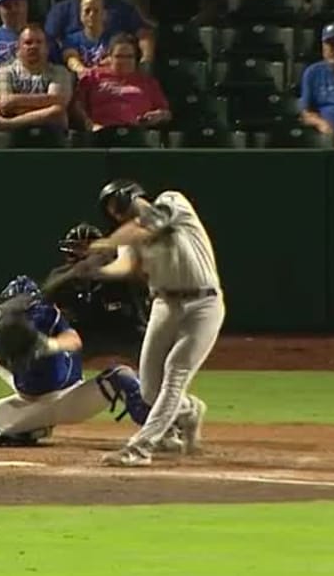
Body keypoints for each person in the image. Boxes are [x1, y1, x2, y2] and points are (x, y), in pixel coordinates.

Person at [76, 180, 224, 468]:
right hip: (164, 305)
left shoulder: (172, 202)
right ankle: (190, 409)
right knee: (149, 391)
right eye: (113, 213)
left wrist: (104, 243)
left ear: (129, 196)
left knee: (175, 373)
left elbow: (149, 224)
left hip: (203, 304)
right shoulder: (130, 235)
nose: (117, 216)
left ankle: (140, 448)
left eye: (117, 208)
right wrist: (96, 270)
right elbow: (126, 266)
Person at [0, 276, 150, 447]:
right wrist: (21, 385)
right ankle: (31, 429)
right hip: (34, 405)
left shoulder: (50, 318)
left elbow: (73, 341)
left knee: (121, 376)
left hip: (72, 398)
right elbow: (4, 368)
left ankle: (160, 429)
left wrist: (49, 345)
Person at [45, 0, 154, 67]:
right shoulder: (60, 10)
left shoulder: (121, 7)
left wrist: (146, 60)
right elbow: (49, 40)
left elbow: (144, 35)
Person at [74, 34, 171, 131]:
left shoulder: (148, 82)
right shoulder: (93, 76)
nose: (124, 61)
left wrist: (159, 115)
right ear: (110, 57)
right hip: (102, 132)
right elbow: (77, 105)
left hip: (137, 133)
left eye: (129, 57)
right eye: (119, 56)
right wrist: (90, 125)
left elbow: (166, 113)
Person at [0, 25, 73, 136]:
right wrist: (43, 109)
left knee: (57, 113)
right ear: (17, 50)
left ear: (47, 49)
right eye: (28, 43)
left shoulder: (59, 71)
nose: (34, 46)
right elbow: (1, 106)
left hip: (51, 135)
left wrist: (13, 101)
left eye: (39, 42)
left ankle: (8, 123)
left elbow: (58, 101)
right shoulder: (4, 72)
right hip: (13, 136)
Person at [59, 0, 115, 76]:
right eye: (87, 11)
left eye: (96, 11)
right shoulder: (71, 40)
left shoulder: (115, 39)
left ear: (104, 14)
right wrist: (84, 71)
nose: (91, 14)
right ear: (81, 15)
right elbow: (71, 59)